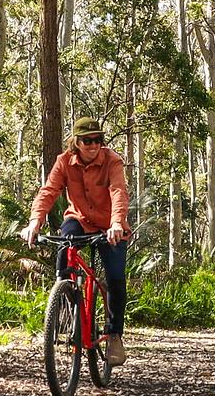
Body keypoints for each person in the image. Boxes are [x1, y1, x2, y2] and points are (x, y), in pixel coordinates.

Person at [21, 117, 132, 365]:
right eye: (87, 140)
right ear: (76, 142)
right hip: (79, 219)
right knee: (64, 247)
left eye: (98, 140)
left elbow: (118, 191)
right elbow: (48, 191)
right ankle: (64, 304)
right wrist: (34, 222)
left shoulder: (112, 161)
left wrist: (116, 223)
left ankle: (114, 334)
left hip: (110, 226)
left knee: (115, 277)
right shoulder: (64, 162)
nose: (93, 145)